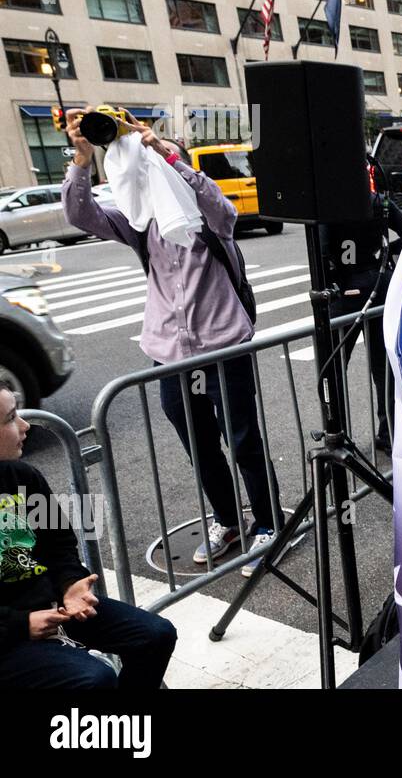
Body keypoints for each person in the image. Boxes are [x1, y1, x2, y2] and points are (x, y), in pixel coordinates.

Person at [62, 112, 282, 569]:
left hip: (225, 345)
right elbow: (81, 214)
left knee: (243, 438)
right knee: (199, 443)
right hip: (169, 354)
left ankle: (267, 522)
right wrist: (82, 160)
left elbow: (225, 207)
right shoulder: (142, 224)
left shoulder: (207, 218)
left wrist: (167, 155)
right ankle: (228, 519)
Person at [0, 380, 176, 688]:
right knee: (95, 678)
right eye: (11, 418)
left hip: (52, 606)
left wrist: (70, 584)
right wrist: (20, 625)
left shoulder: (21, 476)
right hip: (10, 633)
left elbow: (59, 543)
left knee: (155, 634)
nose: (25, 425)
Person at [319, 189, 402, 451]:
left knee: (333, 369)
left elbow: (322, 251)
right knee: (383, 368)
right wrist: (383, 254)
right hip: (378, 285)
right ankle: (388, 432)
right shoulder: (378, 201)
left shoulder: (329, 204)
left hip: (343, 293)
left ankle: (337, 434)